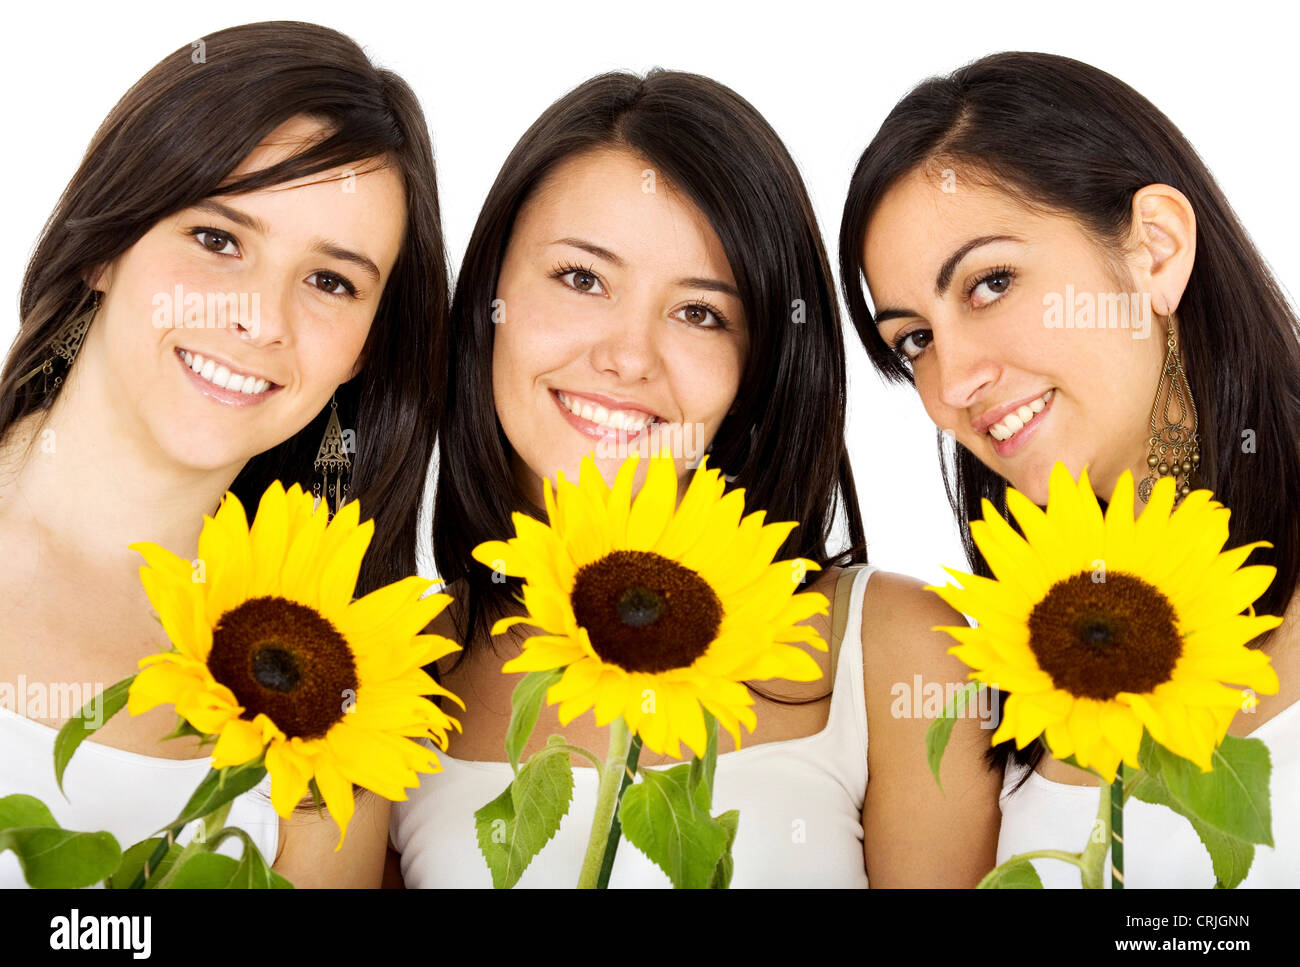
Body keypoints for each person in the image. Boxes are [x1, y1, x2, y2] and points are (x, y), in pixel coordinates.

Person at [390, 69, 1002, 888]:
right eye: (581, 278)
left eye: (700, 312)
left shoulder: (898, 654)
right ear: (490, 296)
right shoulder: (392, 669)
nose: (627, 356)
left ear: (758, 368)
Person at [0, 20, 449, 888]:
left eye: (331, 281)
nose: (262, 319)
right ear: (106, 242)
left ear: (363, 348)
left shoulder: (341, 686)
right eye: (219, 239)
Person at [839, 51, 1300, 886]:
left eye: (990, 283)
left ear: (1154, 251)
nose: (952, 383)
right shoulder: (993, 674)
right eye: (915, 338)